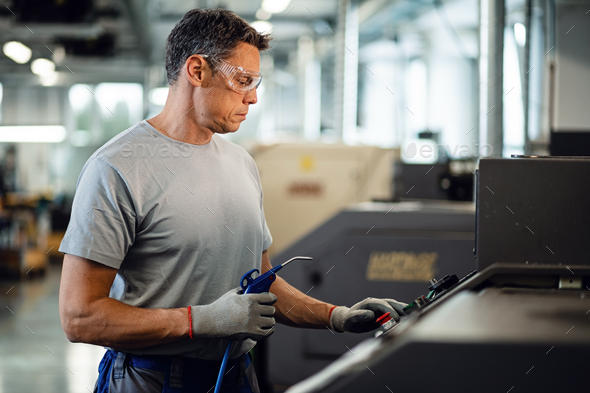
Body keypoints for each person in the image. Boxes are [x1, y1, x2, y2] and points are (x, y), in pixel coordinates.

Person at [58, 8, 406, 393]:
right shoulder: (117, 168)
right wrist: (201, 321)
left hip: (237, 373)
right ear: (197, 71)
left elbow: (262, 284)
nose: (253, 97)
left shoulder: (242, 163)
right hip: (153, 377)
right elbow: (80, 316)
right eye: (243, 81)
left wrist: (337, 316)